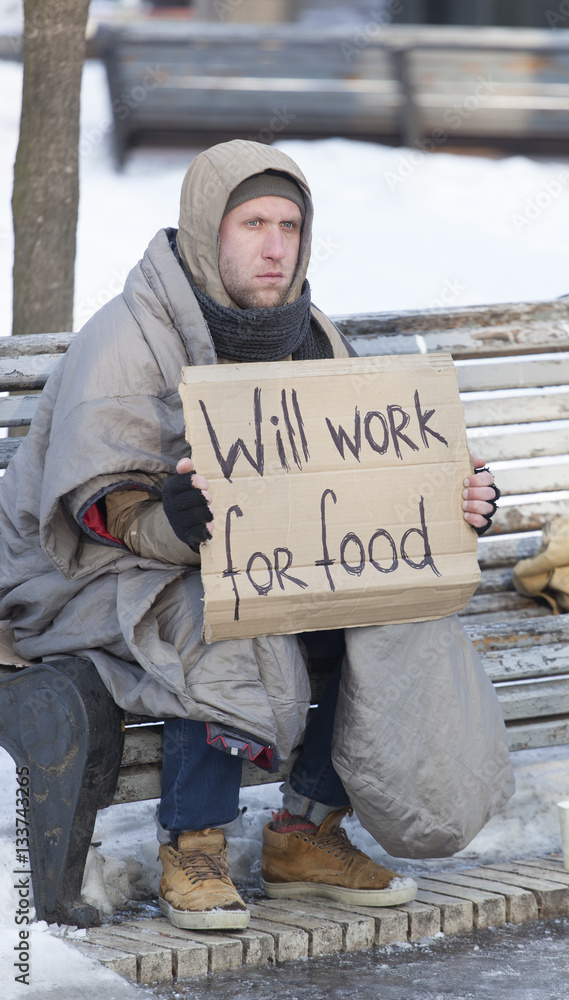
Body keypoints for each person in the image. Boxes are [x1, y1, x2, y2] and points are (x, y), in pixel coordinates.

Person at [0, 141, 504, 932]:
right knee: (224, 611)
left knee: (388, 605)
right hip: (82, 574)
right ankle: (192, 844)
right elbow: (92, 501)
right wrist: (167, 520)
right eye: (252, 224)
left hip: (232, 561)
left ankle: (306, 832)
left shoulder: (307, 330)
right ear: (208, 230)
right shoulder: (128, 334)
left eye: (289, 225)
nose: (275, 247)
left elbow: (370, 472)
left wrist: (446, 505)